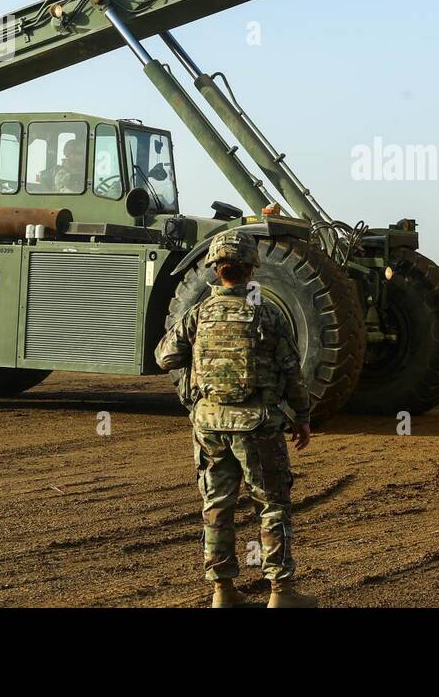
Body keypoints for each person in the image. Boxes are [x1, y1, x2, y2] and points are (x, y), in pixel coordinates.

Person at [155, 230, 318, 608]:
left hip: (209, 425)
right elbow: (292, 371)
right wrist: (302, 416)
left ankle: (223, 592)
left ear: (215, 270)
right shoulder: (267, 313)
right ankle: (281, 593)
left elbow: (165, 357)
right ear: (250, 270)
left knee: (217, 505)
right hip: (256, 425)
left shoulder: (198, 314)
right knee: (272, 504)